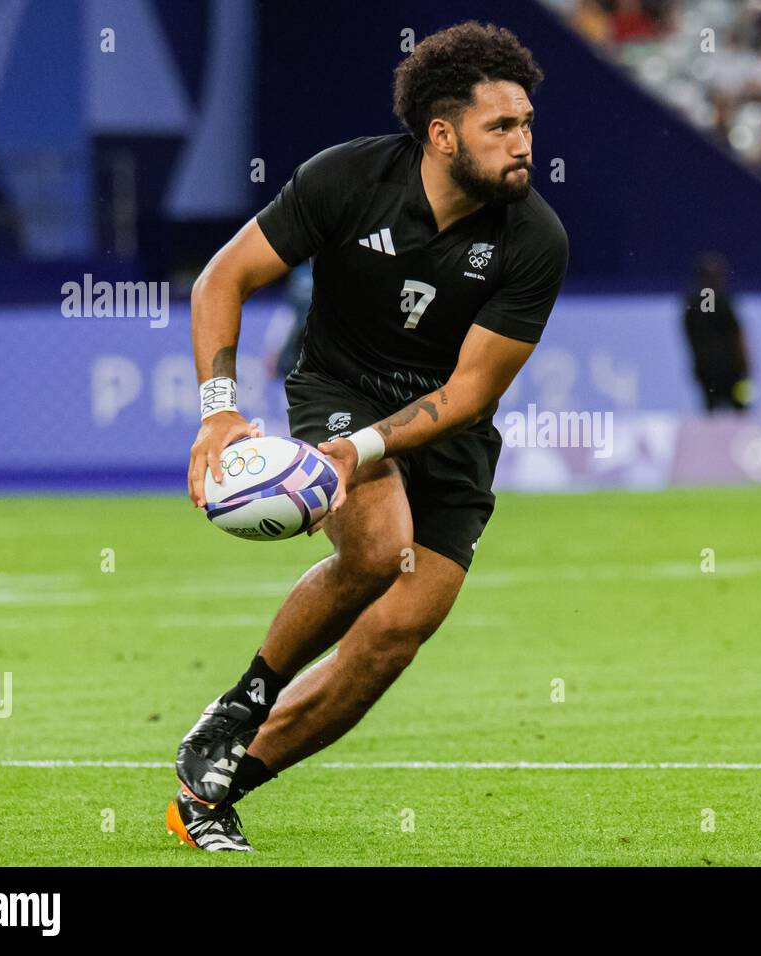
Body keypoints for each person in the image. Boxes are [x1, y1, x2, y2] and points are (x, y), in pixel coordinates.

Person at [167, 21, 569, 851]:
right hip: (339, 389)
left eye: (528, 124)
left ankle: (209, 791)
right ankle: (241, 701)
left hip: (448, 437)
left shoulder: (534, 240)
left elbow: (468, 394)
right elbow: (224, 277)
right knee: (381, 545)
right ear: (442, 133)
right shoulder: (348, 178)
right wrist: (217, 408)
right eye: (502, 128)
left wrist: (360, 451)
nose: (524, 144)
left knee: (389, 640)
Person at [681, 252, 753, 413]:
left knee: (742, 408)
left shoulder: (702, 302)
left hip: (730, 372)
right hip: (719, 371)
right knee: (719, 412)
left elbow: (736, 334)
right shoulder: (709, 301)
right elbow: (733, 334)